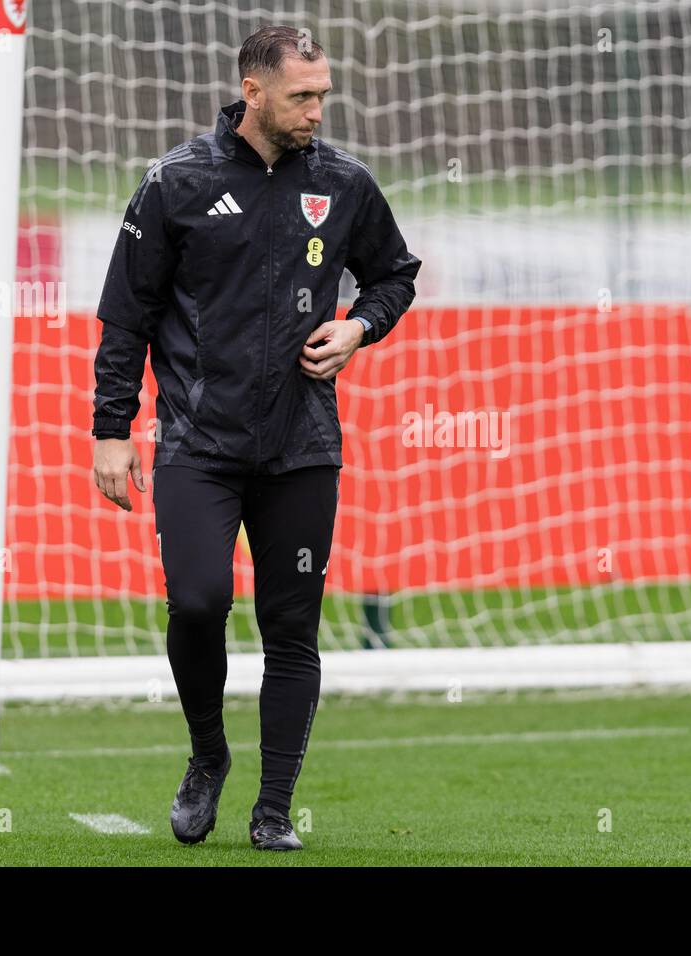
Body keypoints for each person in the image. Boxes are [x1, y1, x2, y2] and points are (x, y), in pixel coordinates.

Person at [90, 24, 421, 850]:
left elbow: (395, 274)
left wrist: (359, 329)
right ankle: (208, 756)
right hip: (198, 445)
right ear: (254, 91)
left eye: (324, 93)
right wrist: (111, 430)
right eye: (303, 95)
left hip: (302, 445)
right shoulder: (175, 181)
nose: (318, 109)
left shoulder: (344, 183)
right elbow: (126, 315)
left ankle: (274, 810)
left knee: (291, 628)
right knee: (198, 602)